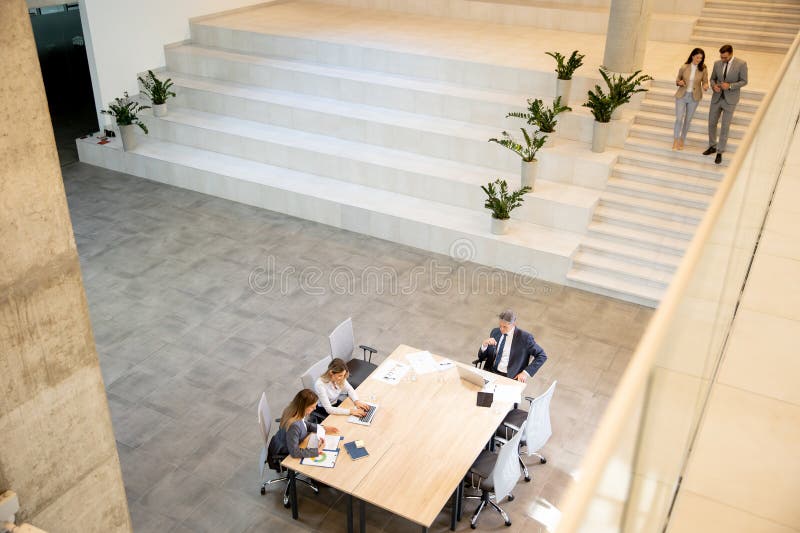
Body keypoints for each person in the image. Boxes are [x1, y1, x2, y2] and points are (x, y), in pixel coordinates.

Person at [704, 44, 748, 165]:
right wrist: (714, 86)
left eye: (725, 57)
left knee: (725, 126)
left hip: (730, 100)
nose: (722, 59)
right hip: (717, 98)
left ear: (731, 54)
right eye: (721, 57)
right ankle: (712, 145)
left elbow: (744, 81)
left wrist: (730, 86)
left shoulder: (741, 64)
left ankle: (720, 151)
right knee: (711, 122)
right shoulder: (717, 63)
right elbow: (712, 78)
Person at [268, 389, 340, 461]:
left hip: (283, 441)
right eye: (312, 407)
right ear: (304, 407)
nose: (315, 408)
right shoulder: (294, 426)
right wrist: (317, 450)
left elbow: (303, 424)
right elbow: (294, 452)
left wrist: (321, 428)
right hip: (287, 451)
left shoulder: (292, 410)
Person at [477, 309, 547, 382]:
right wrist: (484, 345)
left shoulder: (524, 338)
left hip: (510, 377)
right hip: (490, 372)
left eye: (505, 327)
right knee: (479, 391)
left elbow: (542, 355)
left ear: (513, 324)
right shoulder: (495, 332)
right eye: (500, 326)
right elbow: (481, 357)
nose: (501, 329)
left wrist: (525, 373)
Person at [673, 48, 709, 151]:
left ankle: (682, 140)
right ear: (692, 56)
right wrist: (679, 82)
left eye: (701, 58)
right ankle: (675, 139)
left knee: (688, 120)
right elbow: (677, 79)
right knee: (679, 119)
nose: (699, 60)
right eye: (697, 57)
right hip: (682, 95)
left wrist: (706, 86)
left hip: (694, 97)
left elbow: (705, 81)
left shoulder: (704, 68)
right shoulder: (684, 67)